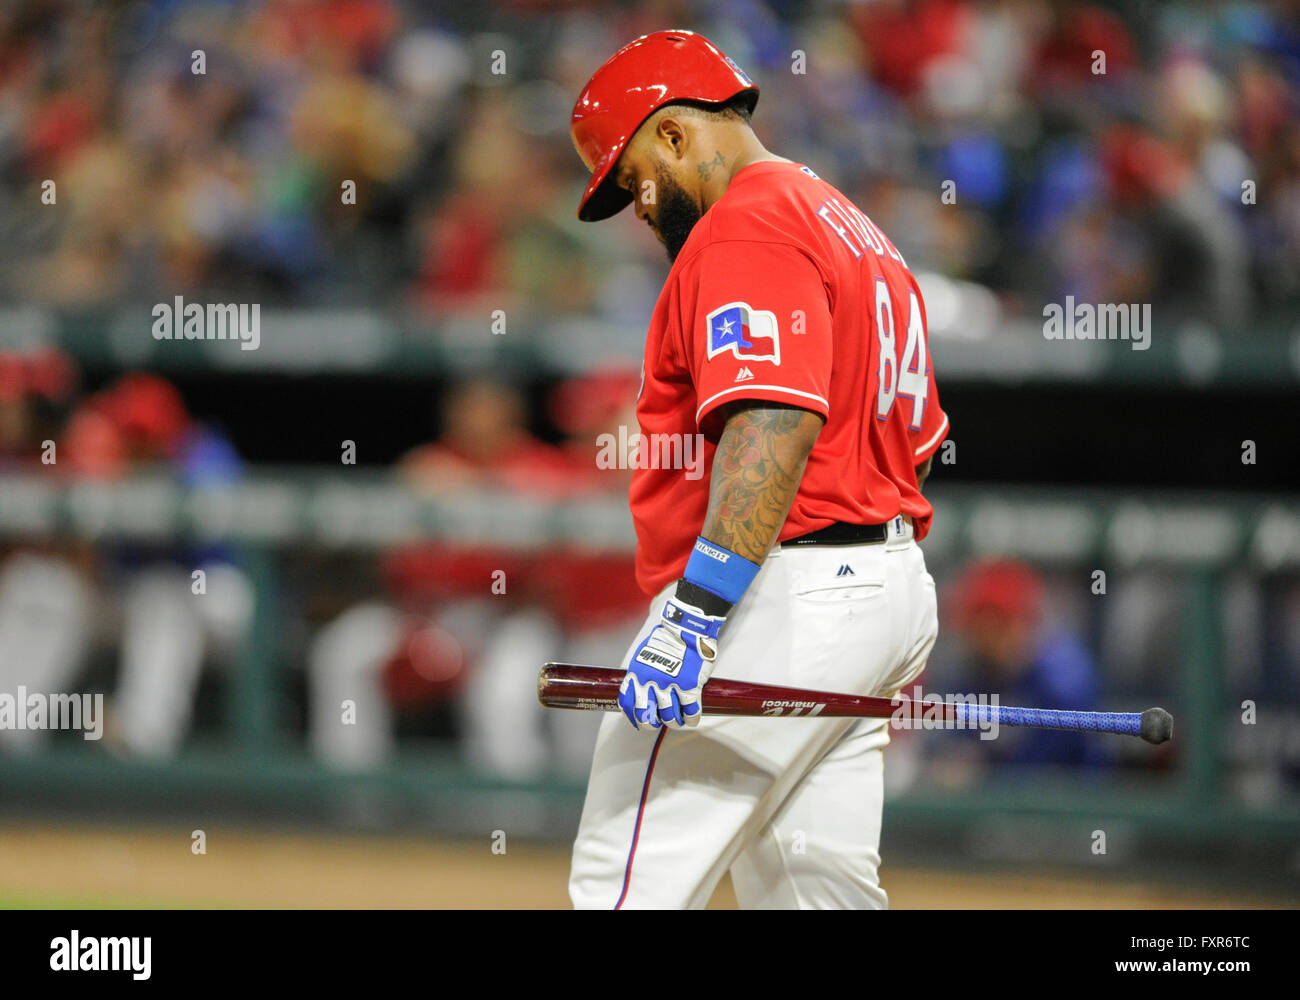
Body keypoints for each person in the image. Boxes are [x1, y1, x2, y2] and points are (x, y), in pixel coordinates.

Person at [565, 30, 949, 909]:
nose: (639, 208)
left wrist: (699, 613)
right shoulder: (854, 227)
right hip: (877, 585)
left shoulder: (746, 223)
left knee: (625, 883)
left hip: (776, 596)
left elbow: (774, 419)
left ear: (673, 135)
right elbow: (917, 437)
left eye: (633, 182)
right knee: (812, 887)